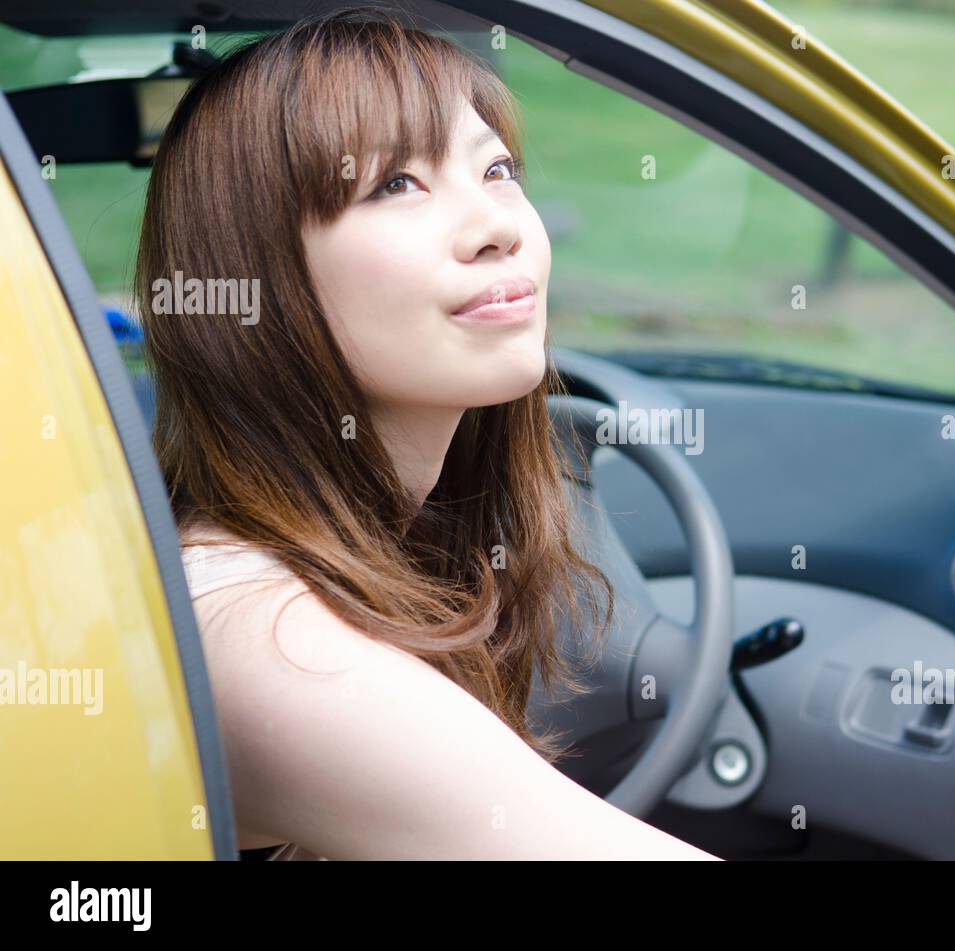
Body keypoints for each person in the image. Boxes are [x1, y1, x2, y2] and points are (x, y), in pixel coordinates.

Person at [137, 6, 720, 861]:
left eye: (498, 169)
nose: (499, 227)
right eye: (396, 185)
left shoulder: (329, 557)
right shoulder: (268, 639)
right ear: (258, 275)